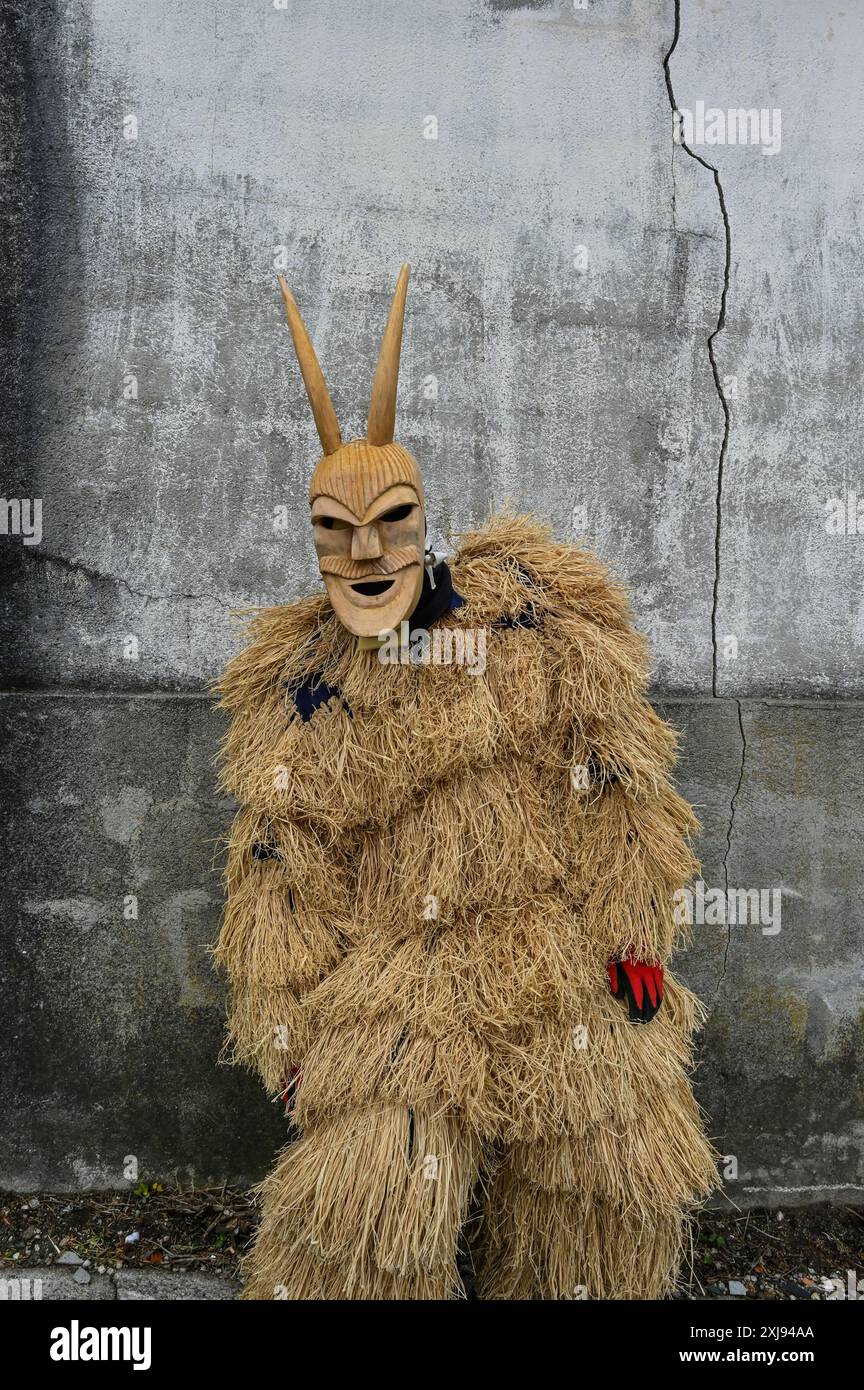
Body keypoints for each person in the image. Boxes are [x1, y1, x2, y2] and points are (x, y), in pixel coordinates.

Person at [215, 264, 716, 1299]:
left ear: (423, 518)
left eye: (390, 521)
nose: (365, 552)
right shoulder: (305, 690)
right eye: (334, 530)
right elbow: (278, 874)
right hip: (403, 979)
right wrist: (291, 1032)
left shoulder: (531, 622)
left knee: (604, 1180)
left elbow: (618, 782)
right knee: (370, 1196)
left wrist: (633, 943)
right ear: (312, 537)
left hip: (553, 951)